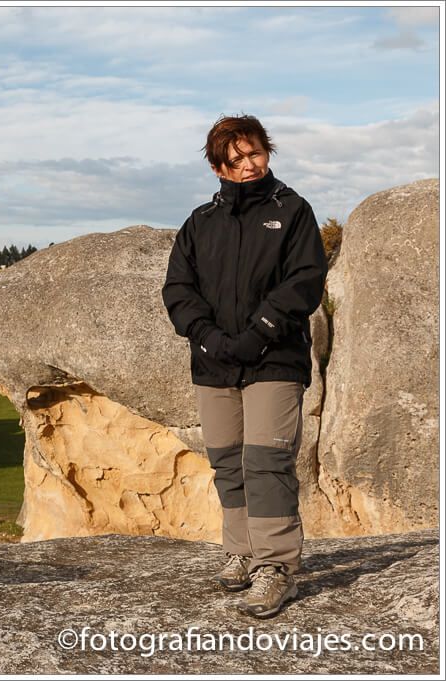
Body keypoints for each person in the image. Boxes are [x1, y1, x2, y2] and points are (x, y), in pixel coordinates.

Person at [161, 114, 328, 618]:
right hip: (214, 364)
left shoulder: (293, 211)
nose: (248, 164)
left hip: (274, 358)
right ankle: (241, 551)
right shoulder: (200, 222)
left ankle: (274, 567)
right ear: (218, 168)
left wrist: (258, 332)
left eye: (254, 153)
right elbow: (178, 290)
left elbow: (303, 281)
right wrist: (209, 338)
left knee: (267, 461)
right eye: (235, 159)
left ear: (267, 152)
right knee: (228, 461)